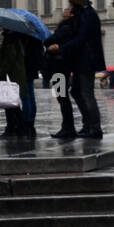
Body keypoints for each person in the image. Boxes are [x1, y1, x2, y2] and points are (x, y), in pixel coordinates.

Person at [51, 0, 104, 138]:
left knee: (86, 94)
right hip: (79, 60)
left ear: (79, 0)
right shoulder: (84, 15)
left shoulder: (88, 15)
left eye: (71, 3)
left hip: (85, 60)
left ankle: (94, 127)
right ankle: (87, 125)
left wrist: (60, 48)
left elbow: (81, 37)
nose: (69, 7)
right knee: (76, 91)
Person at [45, 8, 79, 139]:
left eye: (67, 10)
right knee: (62, 98)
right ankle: (67, 127)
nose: (64, 11)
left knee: (62, 98)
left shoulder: (66, 28)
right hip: (61, 66)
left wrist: (51, 44)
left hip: (58, 66)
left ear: (71, 14)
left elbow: (49, 40)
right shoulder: (71, 27)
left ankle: (68, 128)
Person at [0, 30, 30, 138]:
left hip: (12, 76)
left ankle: (14, 128)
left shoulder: (11, 41)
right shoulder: (16, 40)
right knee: (12, 104)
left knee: (11, 104)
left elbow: (9, 59)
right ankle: (16, 128)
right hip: (15, 76)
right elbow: (8, 55)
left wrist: (1, 74)